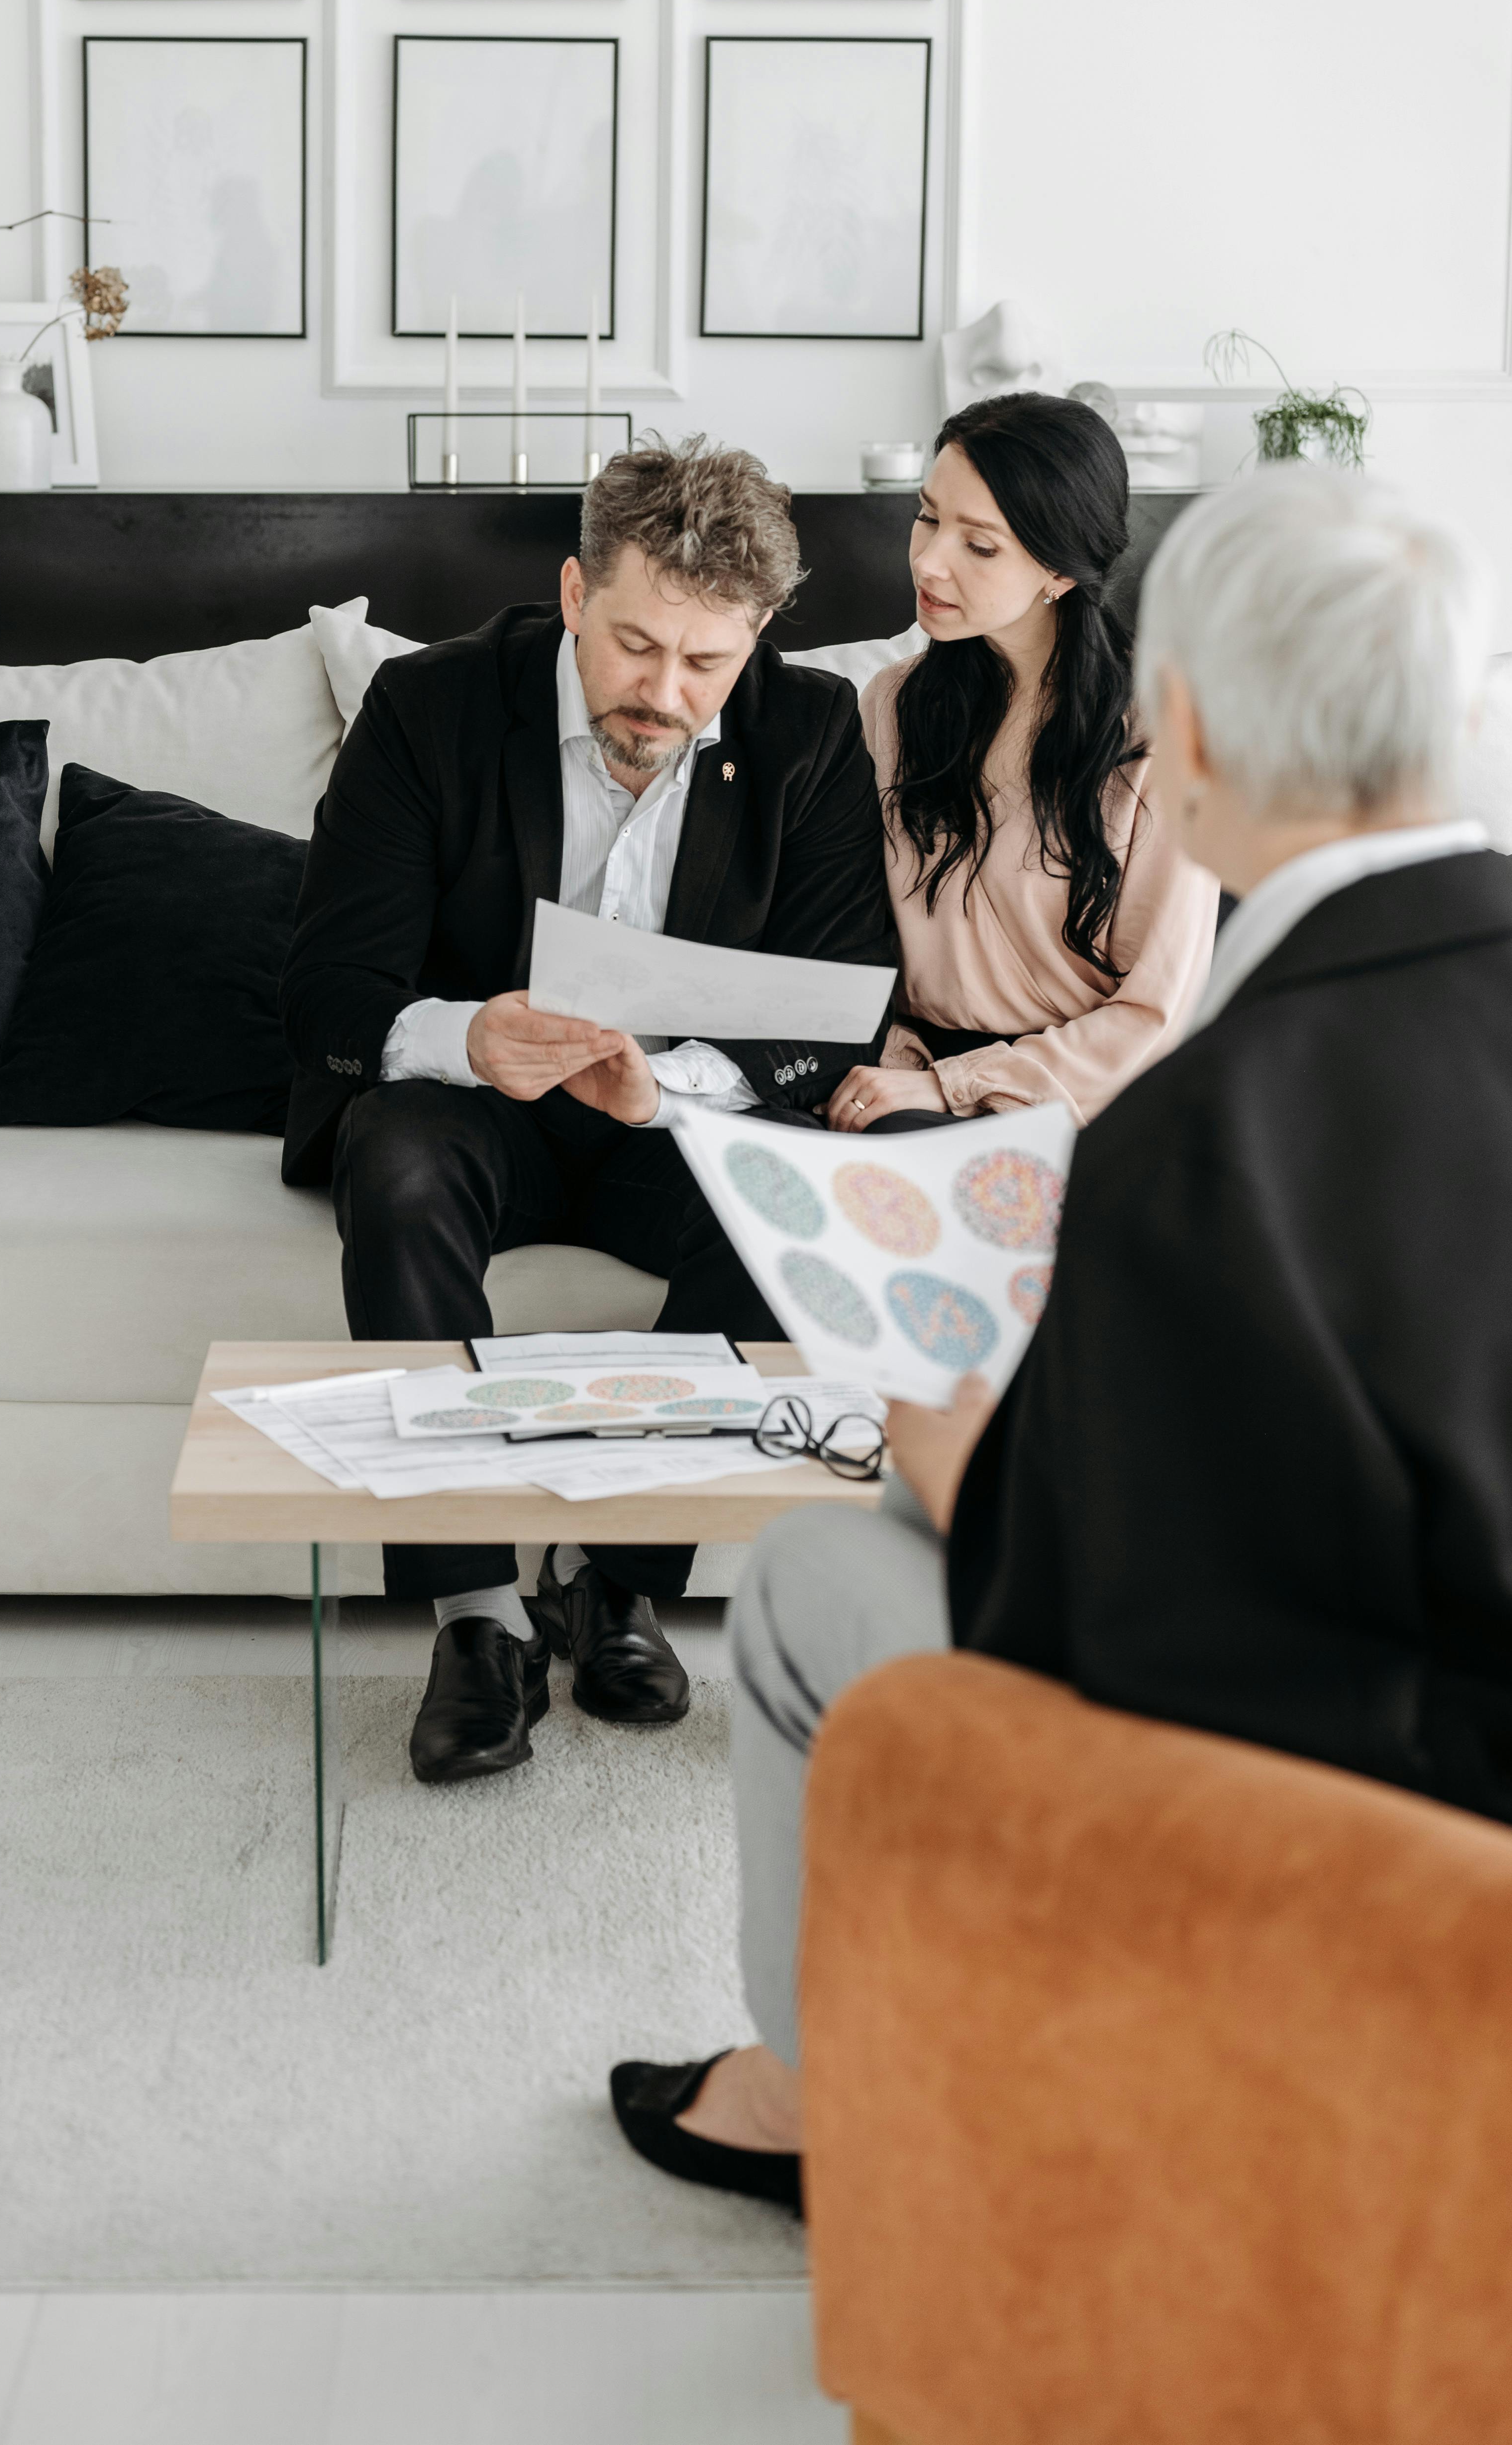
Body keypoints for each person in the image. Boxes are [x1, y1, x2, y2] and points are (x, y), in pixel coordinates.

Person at [607, 471, 1511, 2209]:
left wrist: (942, 1426)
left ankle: (822, 2094)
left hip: (1379, 1817)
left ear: (1174, 720)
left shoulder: (1204, 1126)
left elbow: (1105, 1598)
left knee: (815, 1564)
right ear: (1462, 707)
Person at [281, 441, 895, 1786]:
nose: (663, 695)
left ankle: (617, 1582)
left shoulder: (806, 731)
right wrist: (466, 1035)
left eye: (704, 665)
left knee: (794, 1193)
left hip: (662, 1118)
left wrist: (666, 1085)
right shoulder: (426, 706)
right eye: (633, 646)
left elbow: (835, 999)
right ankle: (478, 1617)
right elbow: (329, 989)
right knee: (391, 1164)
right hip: (471, 1109)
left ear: (755, 643)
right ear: (570, 592)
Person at [830, 390, 1218, 1139]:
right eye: (927, 516)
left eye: (978, 545)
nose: (929, 562)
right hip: (894, 1081)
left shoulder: (1159, 739)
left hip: (1074, 1098)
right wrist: (901, 1070)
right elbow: (852, 938)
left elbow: (1153, 1017)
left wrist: (959, 1087)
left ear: (1059, 572)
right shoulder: (890, 705)